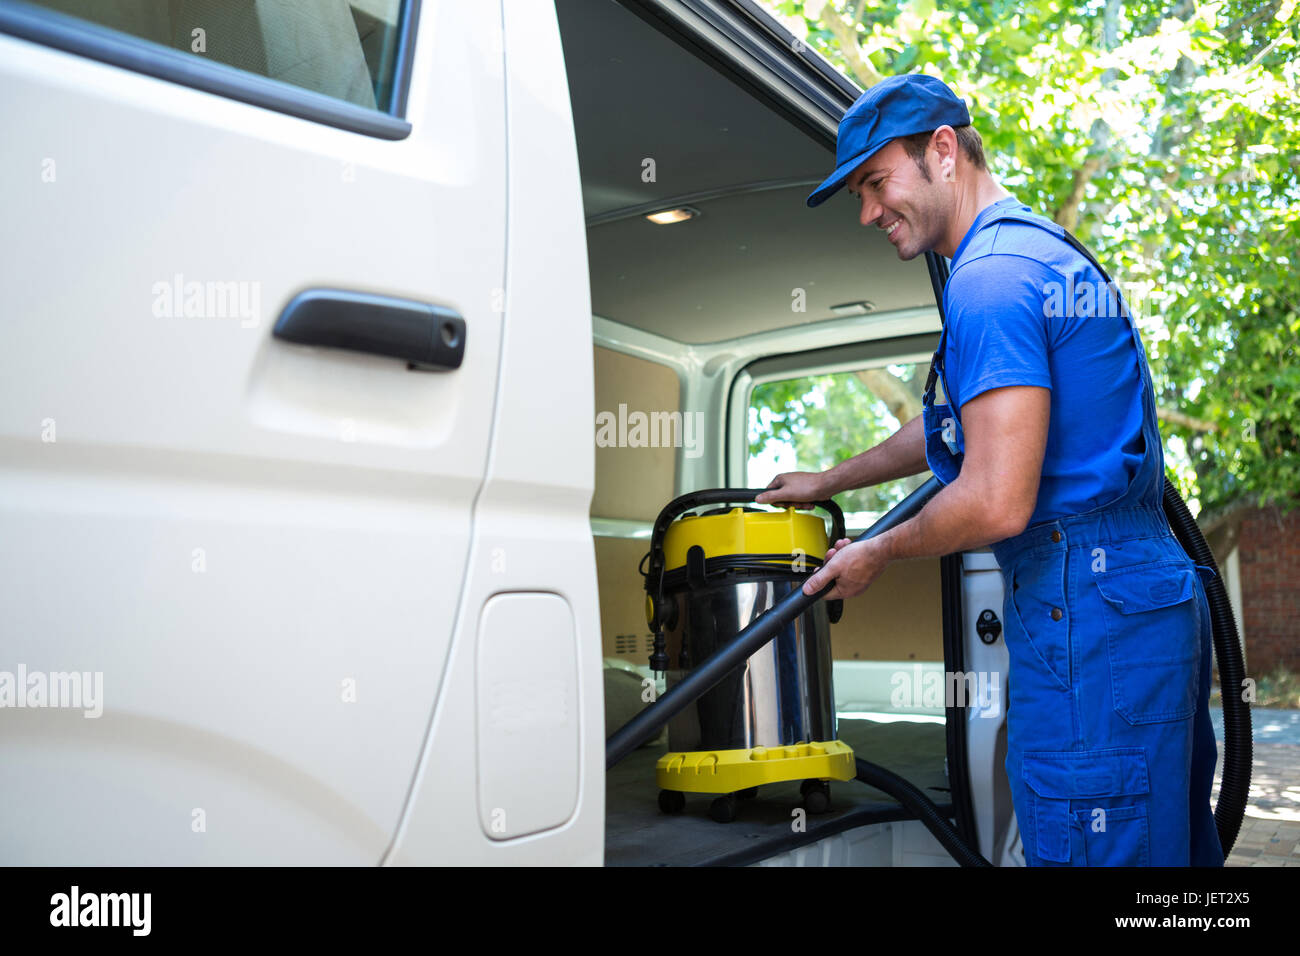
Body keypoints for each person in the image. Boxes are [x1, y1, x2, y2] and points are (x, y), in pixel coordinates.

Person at [756, 73, 1223, 867]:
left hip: (1085, 614)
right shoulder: (1031, 250)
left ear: (943, 150)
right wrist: (829, 481)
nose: (869, 212)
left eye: (876, 183)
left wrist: (876, 549)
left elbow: (997, 501)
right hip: (1134, 601)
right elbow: (962, 428)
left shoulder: (988, 282)